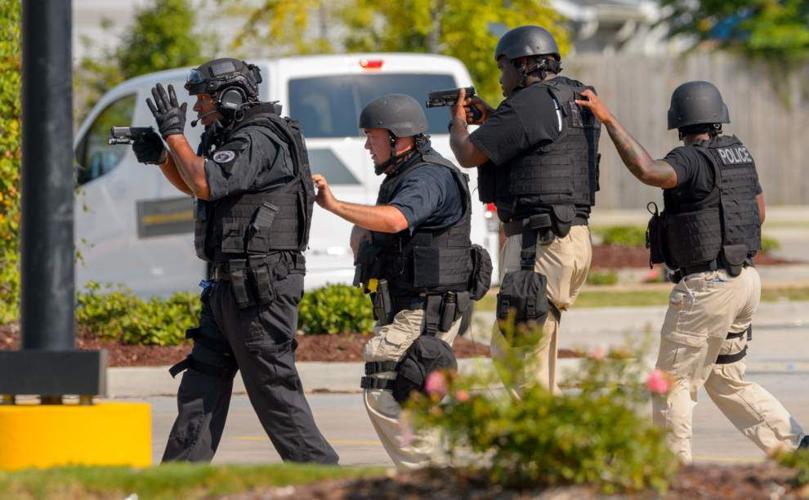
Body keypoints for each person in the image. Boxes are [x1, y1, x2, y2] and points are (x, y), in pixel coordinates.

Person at [576, 80, 808, 462]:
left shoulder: (689, 159)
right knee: (725, 378)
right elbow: (759, 212)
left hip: (708, 287)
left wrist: (607, 117)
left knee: (673, 381)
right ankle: (796, 447)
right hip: (745, 282)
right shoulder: (739, 155)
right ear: (719, 118)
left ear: (679, 124)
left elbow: (649, 171)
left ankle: (670, 471)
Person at [132, 57, 338, 464]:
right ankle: (177, 486)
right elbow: (198, 185)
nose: (198, 110)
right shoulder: (228, 136)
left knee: (273, 391)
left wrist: (174, 134)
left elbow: (207, 182)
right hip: (226, 287)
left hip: (262, 288)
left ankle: (322, 476)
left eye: (204, 100)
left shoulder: (260, 138)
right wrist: (162, 156)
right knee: (200, 389)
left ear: (231, 96)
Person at [312, 94, 490, 468]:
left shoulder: (429, 176)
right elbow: (373, 230)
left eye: (372, 137)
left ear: (399, 138)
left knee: (385, 376)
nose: (366, 145)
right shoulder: (403, 176)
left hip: (427, 307)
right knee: (409, 390)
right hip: (409, 304)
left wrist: (335, 205)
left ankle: (429, 476)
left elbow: (394, 220)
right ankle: (437, 472)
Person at [448, 25, 600, 393]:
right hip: (572, 238)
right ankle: (556, 443)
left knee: (514, 353)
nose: (501, 78)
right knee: (537, 356)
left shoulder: (527, 104)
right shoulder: (575, 95)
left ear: (523, 64)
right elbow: (535, 138)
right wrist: (495, 118)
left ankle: (550, 445)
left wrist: (457, 123)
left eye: (503, 68)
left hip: (540, 245)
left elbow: (468, 154)